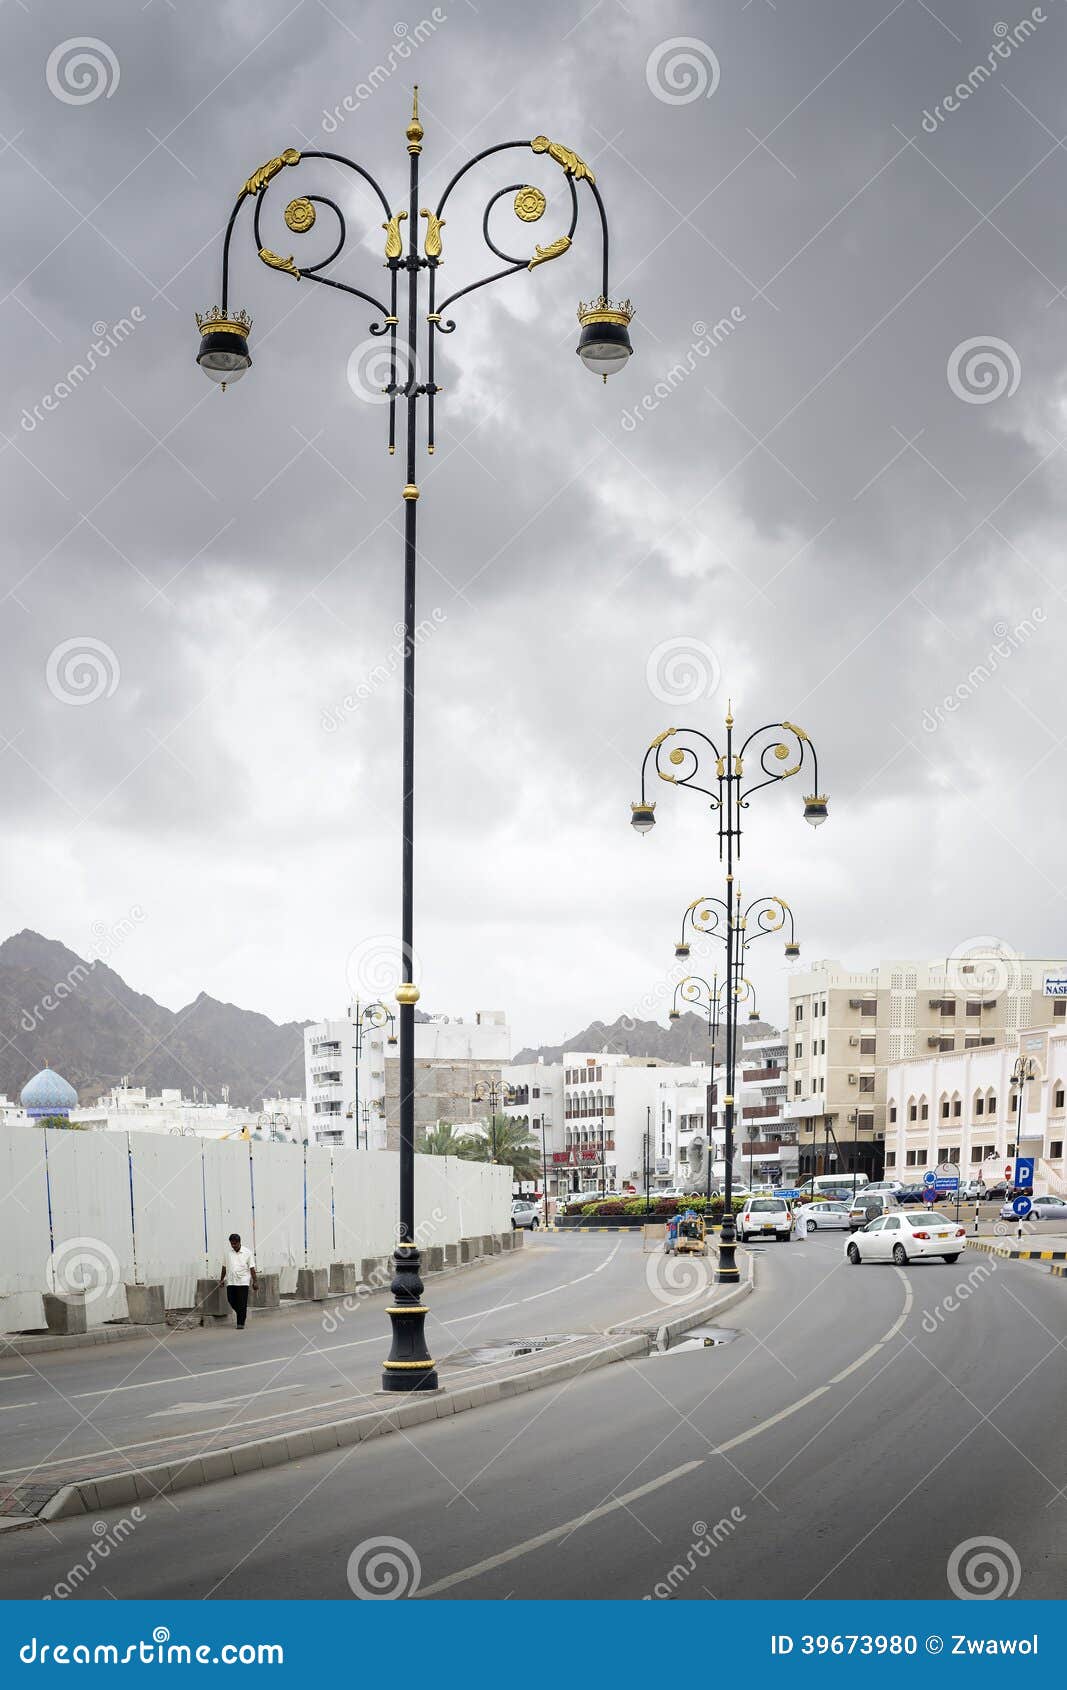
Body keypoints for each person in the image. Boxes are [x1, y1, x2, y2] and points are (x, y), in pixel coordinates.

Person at [219, 1232, 258, 1330]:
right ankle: (241, 1314)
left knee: (242, 1302)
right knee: (231, 1300)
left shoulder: (247, 1252)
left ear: (239, 1242)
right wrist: (221, 1279)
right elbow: (224, 1267)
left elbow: (252, 1268)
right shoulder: (228, 1253)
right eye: (231, 1243)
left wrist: (255, 1281)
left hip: (243, 1282)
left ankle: (240, 1323)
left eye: (235, 1243)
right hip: (231, 1281)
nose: (233, 1245)